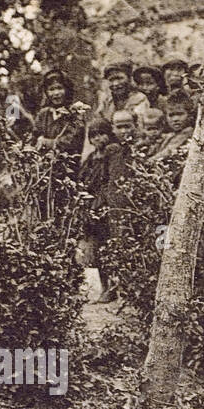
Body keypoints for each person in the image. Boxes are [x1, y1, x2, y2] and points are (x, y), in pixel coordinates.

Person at [80, 119, 127, 302]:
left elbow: (113, 180)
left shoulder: (113, 151)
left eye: (102, 133)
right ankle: (105, 286)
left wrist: (105, 203)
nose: (98, 138)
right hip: (92, 206)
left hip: (106, 205)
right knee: (97, 248)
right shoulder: (91, 158)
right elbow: (83, 179)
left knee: (111, 245)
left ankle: (116, 287)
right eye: (93, 135)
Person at [32, 68, 86, 174]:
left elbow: (71, 142)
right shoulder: (44, 114)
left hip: (68, 167)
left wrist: (46, 142)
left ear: (67, 90)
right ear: (46, 92)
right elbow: (33, 137)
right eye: (51, 89)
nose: (56, 93)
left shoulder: (75, 113)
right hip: (44, 168)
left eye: (59, 88)